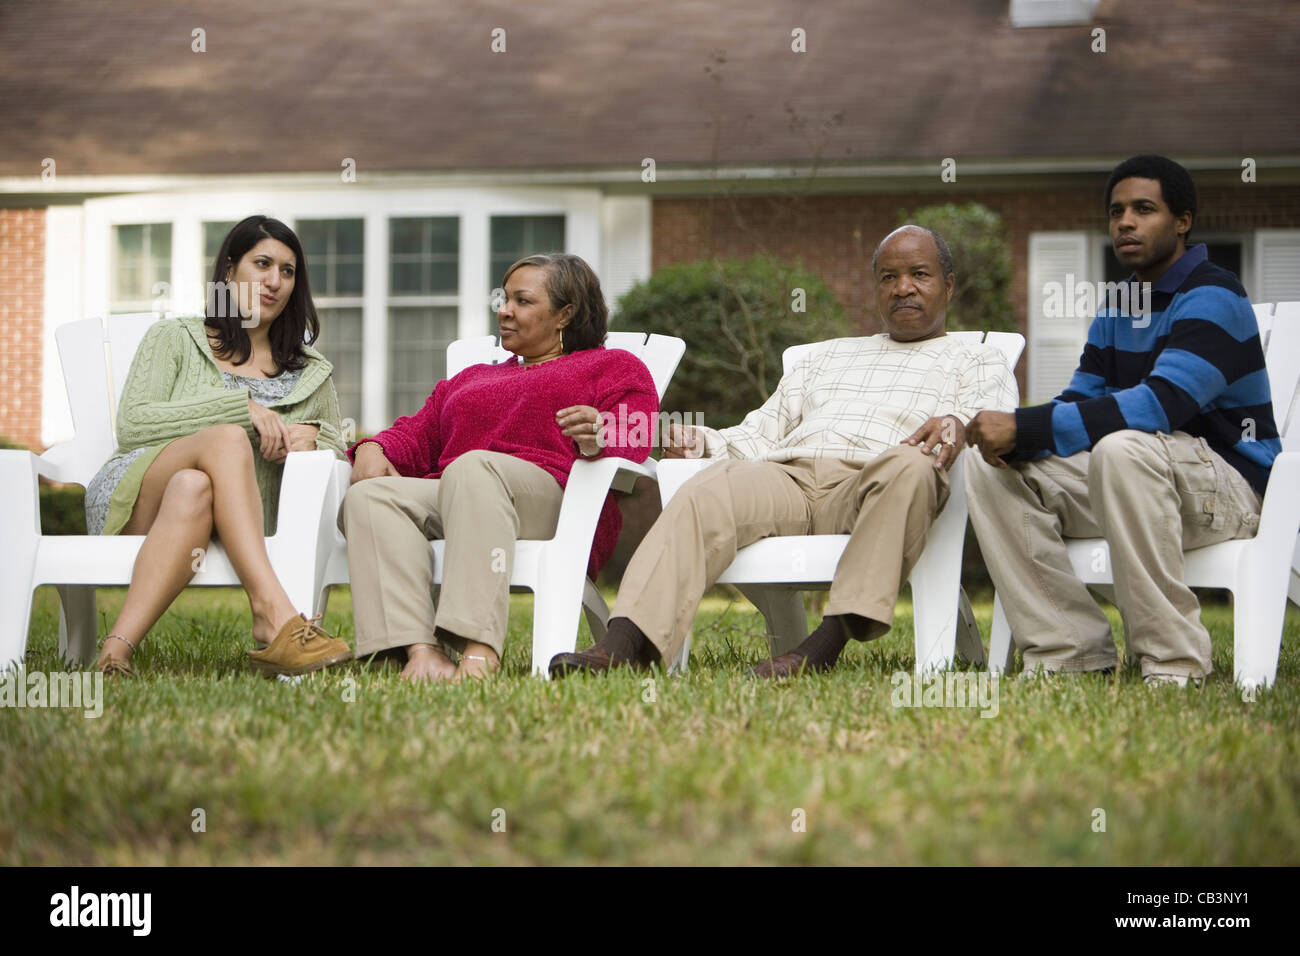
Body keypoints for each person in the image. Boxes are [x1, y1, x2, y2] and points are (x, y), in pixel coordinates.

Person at [549, 225, 1018, 679]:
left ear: (949, 285)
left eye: (919, 274)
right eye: (888, 277)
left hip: (877, 481)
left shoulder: (977, 358)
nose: (903, 288)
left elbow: (986, 425)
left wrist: (956, 425)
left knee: (910, 465)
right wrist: (703, 441)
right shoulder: (826, 358)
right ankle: (624, 644)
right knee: (711, 484)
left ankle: (825, 643)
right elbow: (760, 433)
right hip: (790, 478)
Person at [965, 155, 1279, 687]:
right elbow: (1078, 400)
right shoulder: (1119, 308)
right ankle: (1070, 651)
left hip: (1230, 492)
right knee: (991, 467)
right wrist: (1012, 433)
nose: (1125, 223)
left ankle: (1174, 663)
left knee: (1122, 447)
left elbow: (1162, 406)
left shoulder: (1214, 295)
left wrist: (1030, 428)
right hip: (1139, 483)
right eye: (1116, 212)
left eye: (1143, 209)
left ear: (1182, 221)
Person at [340, 252, 658, 681]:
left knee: (474, 468)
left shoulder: (611, 367)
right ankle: (419, 650)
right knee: (370, 496)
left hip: (557, 502)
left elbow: (640, 433)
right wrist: (373, 448)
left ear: (565, 314)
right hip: (462, 491)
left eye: (522, 301)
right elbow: (416, 433)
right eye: (504, 299)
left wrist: (601, 431)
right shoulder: (471, 378)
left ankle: (478, 650)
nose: (503, 310)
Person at [87, 215, 351, 677]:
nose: (274, 281)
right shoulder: (176, 338)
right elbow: (133, 423)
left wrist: (315, 438)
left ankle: (115, 652)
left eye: (287, 272)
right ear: (230, 271)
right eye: (262, 263)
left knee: (193, 486)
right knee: (227, 438)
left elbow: (337, 451)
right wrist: (239, 409)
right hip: (137, 501)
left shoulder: (311, 371)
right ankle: (272, 613)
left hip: (212, 512)